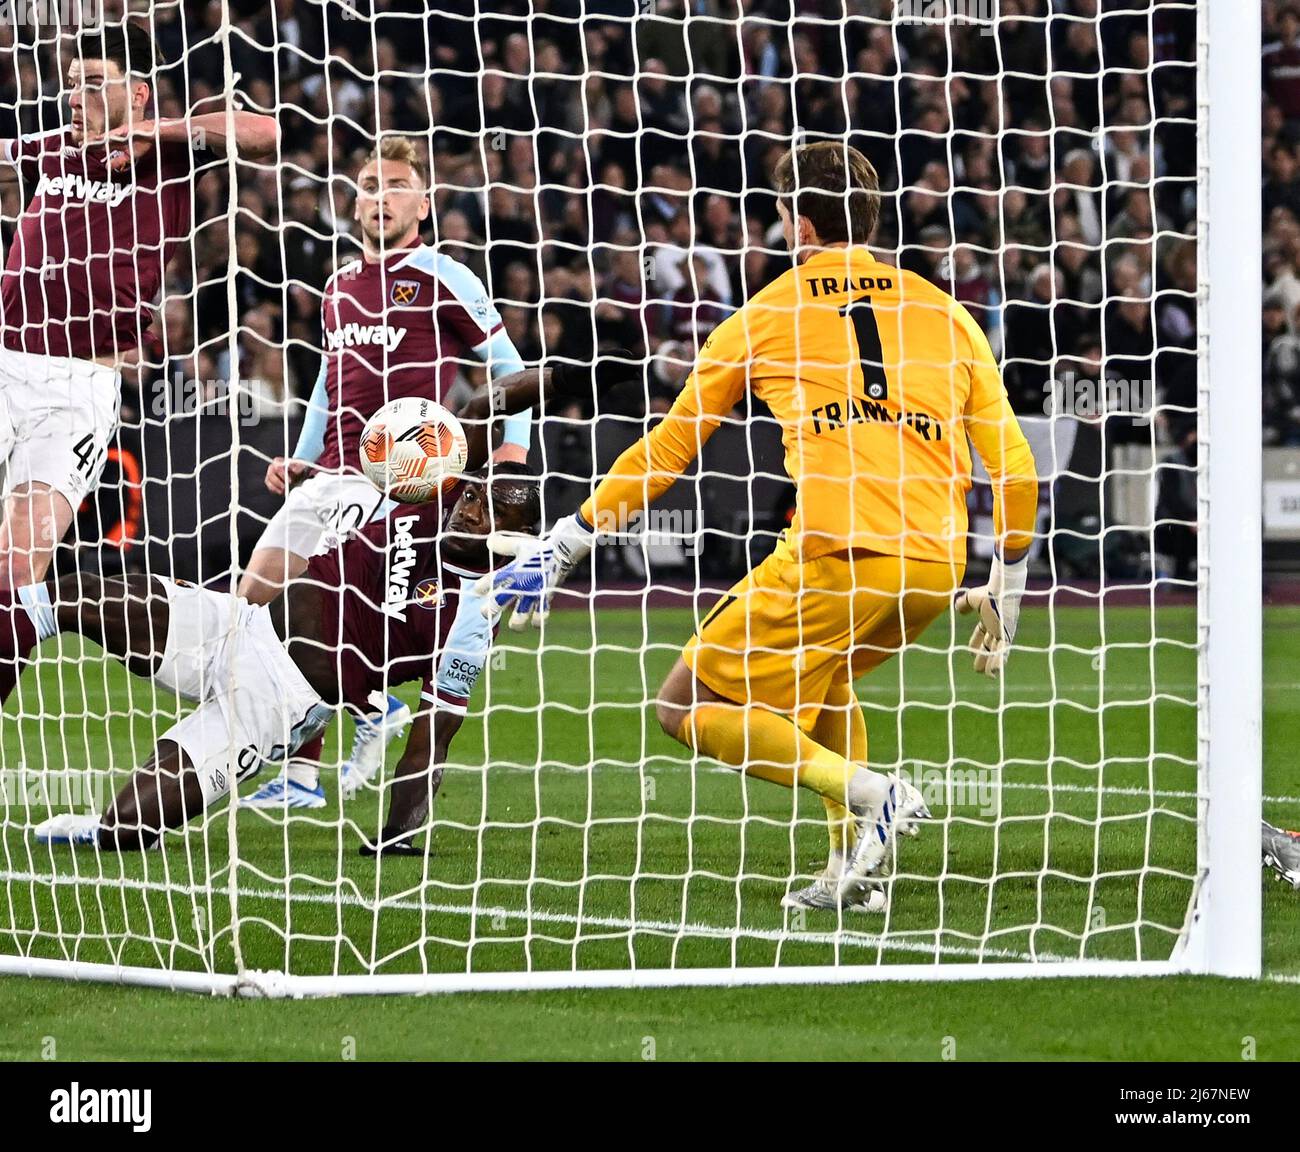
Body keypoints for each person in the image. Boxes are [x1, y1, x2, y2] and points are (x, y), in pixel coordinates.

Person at [480, 142, 1040, 913]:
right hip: (937, 570)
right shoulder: (946, 312)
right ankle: (850, 867)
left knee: (682, 702)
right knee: (828, 675)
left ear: (798, 223)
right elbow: (1015, 467)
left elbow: (671, 448)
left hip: (839, 554)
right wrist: (1006, 585)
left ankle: (871, 792)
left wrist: (573, 536)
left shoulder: (766, 314)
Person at [8, 361, 618, 854]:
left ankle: (100, 826)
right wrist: (572, 380)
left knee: (126, 829)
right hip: (240, 627)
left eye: (494, 511)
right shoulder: (436, 492)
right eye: (478, 492)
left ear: (513, 534)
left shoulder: (472, 619)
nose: (473, 507)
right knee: (79, 595)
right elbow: (491, 401)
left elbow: (434, 737)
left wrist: (401, 834)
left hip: (277, 704)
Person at [239, 136, 531, 808]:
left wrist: (510, 467)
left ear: (424, 203)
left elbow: (513, 372)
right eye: (369, 184)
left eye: (396, 185)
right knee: (252, 607)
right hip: (332, 475)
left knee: (301, 609)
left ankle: (371, 709)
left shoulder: (442, 274)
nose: (379, 197)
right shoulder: (339, 284)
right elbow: (324, 384)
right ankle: (306, 774)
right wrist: (305, 454)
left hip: (399, 479)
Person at [0, 21, 277, 594]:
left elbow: (263, 133)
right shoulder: (52, 149)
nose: (77, 99)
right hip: (5, 359)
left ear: (140, 92)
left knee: (16, 571)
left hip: (78, 388)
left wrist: (159, 132)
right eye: (73, 84)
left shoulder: (171, 157)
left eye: (97, 83)